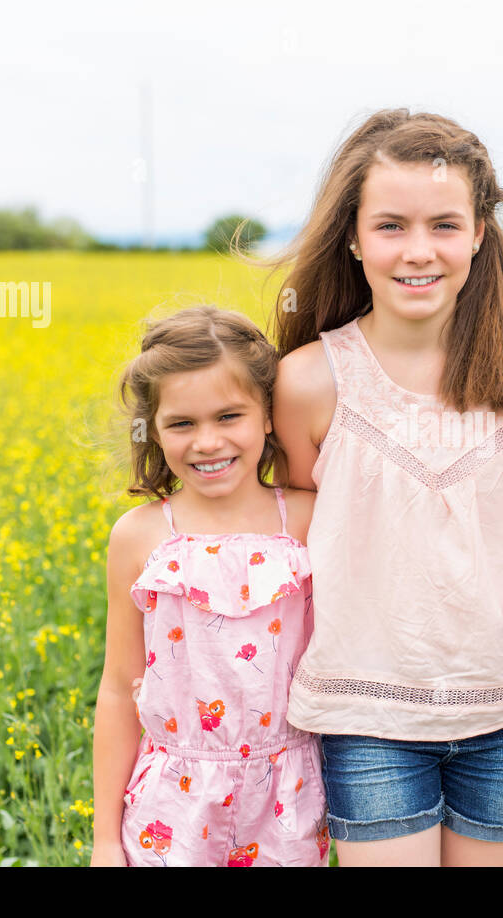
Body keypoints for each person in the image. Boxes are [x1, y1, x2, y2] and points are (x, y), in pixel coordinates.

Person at [270, 108, 503, 866]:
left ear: (478, 234)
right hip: (367, 715)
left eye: (443, 225)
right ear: (353, 236)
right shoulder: (309, 381)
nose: (417, 251)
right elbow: (298, 539)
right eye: (391, 226)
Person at [91, 306, 328, 867]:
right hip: (170, 804)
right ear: (153, 429)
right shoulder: (141, 535)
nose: (207, 442)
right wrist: (104, 841)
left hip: (287, 797)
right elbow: (119, 687)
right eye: (181, 424)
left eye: (229, 416)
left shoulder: (306, 519)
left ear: (268, 416)